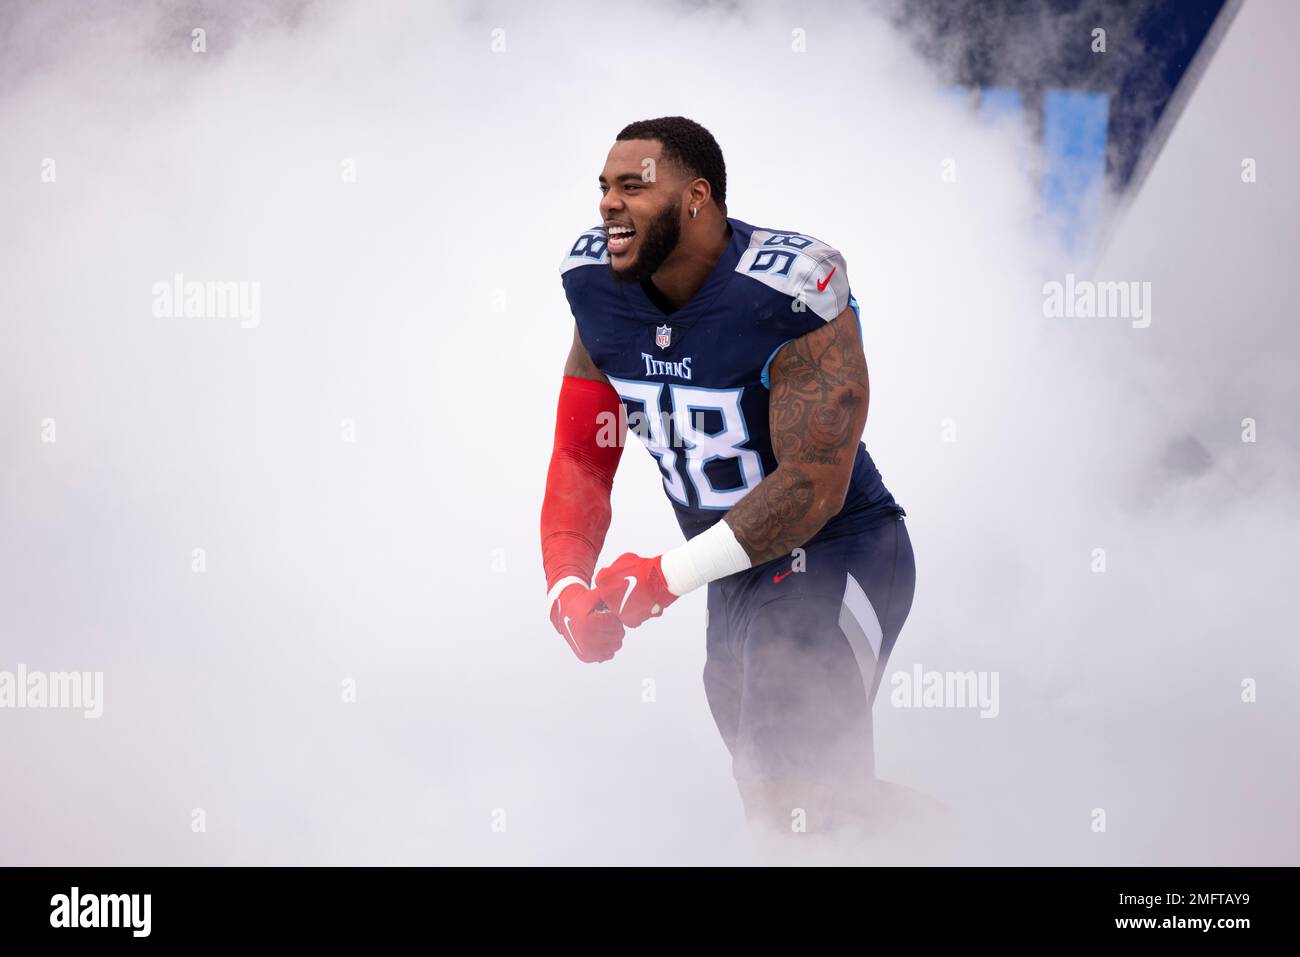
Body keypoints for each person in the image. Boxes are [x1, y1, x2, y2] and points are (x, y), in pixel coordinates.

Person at [540, 116, 915, 842]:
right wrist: (566, 584)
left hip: (838, 552)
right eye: (604, 187)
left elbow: (813, 483)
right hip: (734, 578)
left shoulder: (788, 290)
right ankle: (966, 836)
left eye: (632, 186)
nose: (608, 204)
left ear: (696, 199)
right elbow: (585, 452)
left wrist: (661, 576)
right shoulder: (596, 284)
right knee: (783, 797)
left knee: (800, 808)